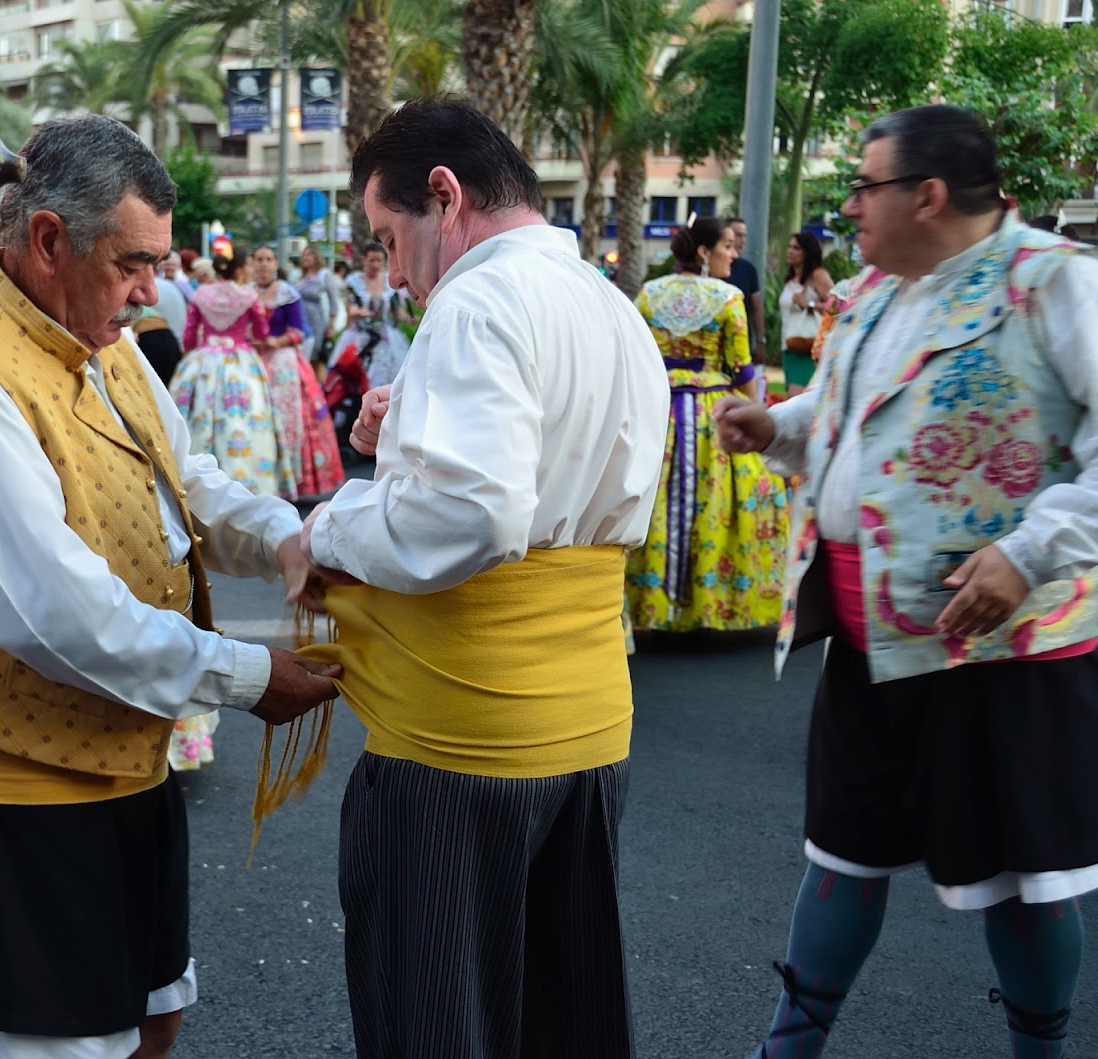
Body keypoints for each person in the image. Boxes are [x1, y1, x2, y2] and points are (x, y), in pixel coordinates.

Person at [0, 115, 341, 1059]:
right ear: (48, 241)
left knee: (151, 1021)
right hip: (16, 806)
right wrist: (251, 676)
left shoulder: (104, 340)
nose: (152, 290)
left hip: (124, 772)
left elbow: (187, 479)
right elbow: (56, 616)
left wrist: (290, 539)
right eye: (135, 263)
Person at [714, 104, 1098, 1059]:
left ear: (926, 195)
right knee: (840, 855)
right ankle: (787, 1047)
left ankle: (1041, 1051)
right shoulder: (878, 293)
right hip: (870, 639)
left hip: (998, 648)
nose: (850, 206)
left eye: (865, 185)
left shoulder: (1053, 282)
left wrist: (1028, 554)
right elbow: (852, 409)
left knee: (1019, 882)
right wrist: (783, 427)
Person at [297, 97, 669, 1058]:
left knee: (440, 1018)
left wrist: (332, 527)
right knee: (562, 1012)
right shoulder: (613, 306)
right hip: (588, 725)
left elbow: (474, 519)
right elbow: (561, 491)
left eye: (389, 238)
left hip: (463, 741)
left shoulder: (476, 301)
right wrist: (404, 452)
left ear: (445, 195)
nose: (396, 274)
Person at [624, 217, 788, 633]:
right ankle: (710, 602)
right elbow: (740, 366)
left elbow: (640, 361)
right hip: (712, 413)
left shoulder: (648, 294)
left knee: (654, 499)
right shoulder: (728, 298)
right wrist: (757, 414)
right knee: (720, 502)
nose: (734, 254)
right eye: (728, 246)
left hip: (660, 411)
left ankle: (656, 604)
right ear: (703, 252)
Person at [169, 249, 286, 496]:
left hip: (204, 362)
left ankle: (190, 481)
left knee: (196, 416)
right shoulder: (248, 295)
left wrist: (193, 355)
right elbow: (263, 333)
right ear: (240, 269)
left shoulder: (201, 293)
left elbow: (189, 335)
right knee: (244, 421)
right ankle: (247, 482)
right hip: (240, 364)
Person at [252, 245, 345, 500]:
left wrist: (274, 343)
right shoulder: (247, 294)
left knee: (287, 417)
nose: (263, 264)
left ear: (275, 263)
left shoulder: (287, 293)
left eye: (268, 259)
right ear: (252, 263)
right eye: (259, 259)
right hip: (253, 361)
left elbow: (299, 332)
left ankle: (290, 479)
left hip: (283, 362)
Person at [334, 241, 413, 391]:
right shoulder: (354, 282)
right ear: (364, 260)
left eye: (379, 260)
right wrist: (358, 312)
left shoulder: (390, 283)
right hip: (360, 335)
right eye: (371, 260)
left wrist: (407, 319)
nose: (375, 264)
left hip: (386, 337)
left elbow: (397, 313)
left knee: (389, 378)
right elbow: (351, 307)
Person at [779, 230, 835, 395]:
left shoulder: (817, 276)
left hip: (808, 345)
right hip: (790, 344)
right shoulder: (791, 280)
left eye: (796, 248)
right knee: (792, 396)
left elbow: (839, 306)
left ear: (807, 252)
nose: (790, 251)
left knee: (797, 397)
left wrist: (809, 304)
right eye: (789, 247)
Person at [724, 216, 767, 389]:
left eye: (744, 236)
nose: (742, 241)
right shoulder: (709, 270)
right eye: (737, 235)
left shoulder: (748, 269)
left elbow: (757, 307)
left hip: (741, 342)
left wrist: (760, 340)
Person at [294, 244, 343, 366]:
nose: (305, 258)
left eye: (309, 255)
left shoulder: (324, 275)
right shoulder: (301, 279)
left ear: (316, 257)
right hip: (303, 322)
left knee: (317, 357)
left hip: (319, 323)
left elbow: (333, 301)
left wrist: (331, 326)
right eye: (304, 255)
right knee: (304, 357)